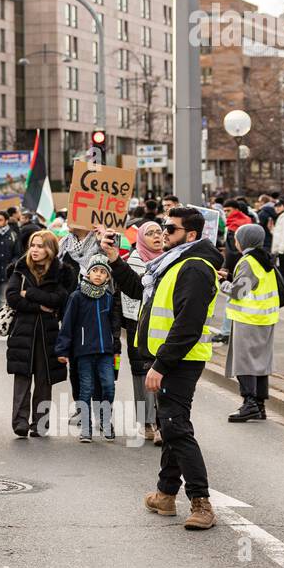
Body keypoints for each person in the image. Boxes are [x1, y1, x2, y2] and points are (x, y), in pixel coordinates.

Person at [102, 206, 220, 531]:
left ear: (191, 235)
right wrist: (114, 259)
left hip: (180, 359)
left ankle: (201, 502)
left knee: (176, 427)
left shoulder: (194, 267)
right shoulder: (172, 263)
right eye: (163, 227)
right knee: (170, 426)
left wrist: (162, 364)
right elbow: (142, 293)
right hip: (168, 357)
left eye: (171, 228)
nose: (164, 233)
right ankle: (165, 494)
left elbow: (188, 324)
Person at [6, 230, 71, 438]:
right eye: (33, 245)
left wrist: (31, 294)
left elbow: (59, 299)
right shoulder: (20, 269)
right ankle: (20, 422)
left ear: (50, 249)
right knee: (22, 379)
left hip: (48, 334)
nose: (35, 250)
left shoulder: (62, 272)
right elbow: (13, 298)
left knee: (44, 382)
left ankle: (40, 424)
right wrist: (39, 306)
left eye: (41, 246)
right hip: (23, 331)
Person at [56, 254, 122, 442]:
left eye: (103, 272)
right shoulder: (76, 296)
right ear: (88, 273)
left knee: (108, 387)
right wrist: (62, 350)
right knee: (86, 388)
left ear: (108, 277)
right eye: (95, 270)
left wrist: (115, 347)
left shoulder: (109, 298)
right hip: (83, 352)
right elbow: (68, 324)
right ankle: (86, 428)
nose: (98, 275)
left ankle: (105, 420)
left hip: (105, 352)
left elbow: (114, 325)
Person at [221, 223, 278, 423]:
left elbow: (239, 291)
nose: (235, 242)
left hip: (248, 318)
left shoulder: (248, 261)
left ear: (244, 241)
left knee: (244, 362)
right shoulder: (265, 258)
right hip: (265, 317)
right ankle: (260, 405)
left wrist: (223, 283)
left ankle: (249, 404)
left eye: (237, 238)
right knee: (260, 363)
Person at [124, 222, 163, 443]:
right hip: (138, 325)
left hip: (162, 325)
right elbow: (135, 291)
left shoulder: (170, 257)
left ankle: (160, 423)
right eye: (150, 233)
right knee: (141, 375)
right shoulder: (134, 260)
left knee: (160, 374)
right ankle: (146, 422)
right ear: (140, 238)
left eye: (159, 232)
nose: (156, 236)